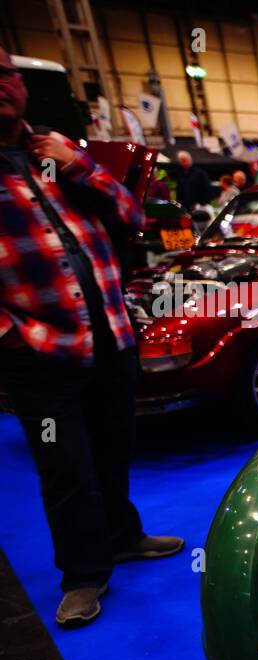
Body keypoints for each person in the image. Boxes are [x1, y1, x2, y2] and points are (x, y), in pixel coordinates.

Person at [0, 45, 183, 627]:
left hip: (107, 330)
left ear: (21, 84)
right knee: (65, 464)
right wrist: (8, 334)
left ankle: (124, 537)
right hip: (40, 347)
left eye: (5, 72)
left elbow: (130, 215)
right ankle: (82, 574)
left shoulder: (57, 150)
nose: (1, 84)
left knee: (112, 447)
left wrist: (76, 165)